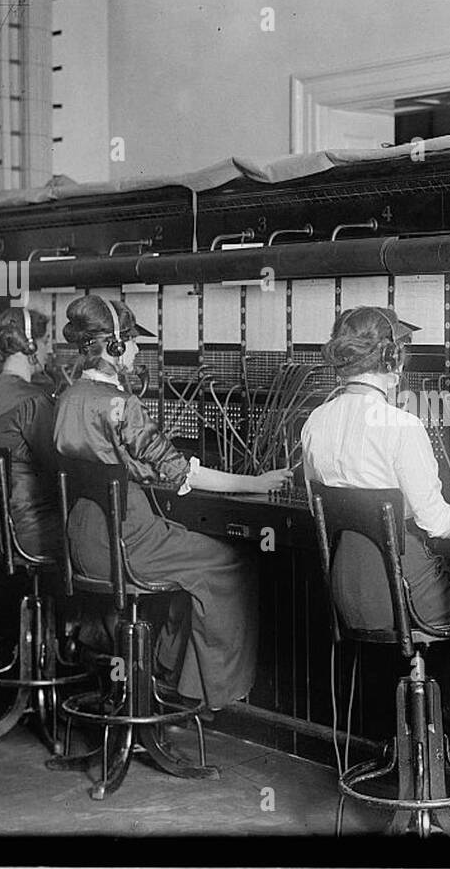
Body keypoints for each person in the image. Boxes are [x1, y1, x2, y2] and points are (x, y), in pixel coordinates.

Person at [53, 295, 291, 708]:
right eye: (130, 340)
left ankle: (165, 671)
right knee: (230, 562)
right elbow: (185, 473)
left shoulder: (68, 398)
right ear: (112, 346)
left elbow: (108, 461)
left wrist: (143, 471)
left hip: (82, 541)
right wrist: (256, 481)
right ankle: (205, 692)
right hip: (126, 541)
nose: (137, 349)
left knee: (191, 563)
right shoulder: (122, 404)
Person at [300, 306, 450, 752]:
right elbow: (435, 520)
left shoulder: (314, 424)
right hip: (406, 595)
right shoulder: (402, 426)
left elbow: (320, 509)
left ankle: (424, 743)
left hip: (346, 593)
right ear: (392, 361)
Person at [0, 306, 62, 560]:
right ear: (30, 346)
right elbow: (60, 466)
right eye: (46, 342)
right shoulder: (32, 402)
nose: (48, 350)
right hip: (31, 531)